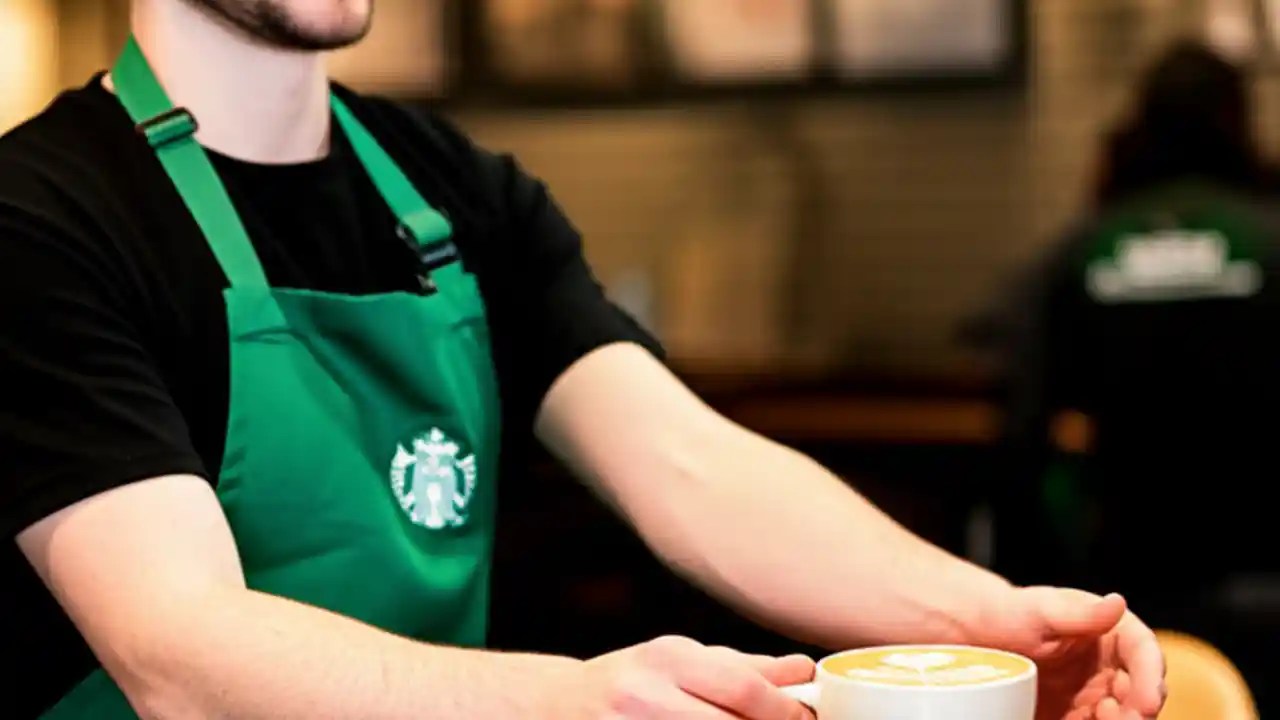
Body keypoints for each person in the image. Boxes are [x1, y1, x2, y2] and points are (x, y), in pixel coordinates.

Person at [0, 1, 1165, 718]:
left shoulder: (453, 190)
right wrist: (569, 699)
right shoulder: (38, 222)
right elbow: (181, 656)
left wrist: (990, 620)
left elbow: (689, 466)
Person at [990, 40, 1279, 711]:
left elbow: (1021, 429)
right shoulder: (1273, 236)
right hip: (1268, 568)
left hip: (1127, 581)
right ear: (1239, 120)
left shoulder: (1084, 249)